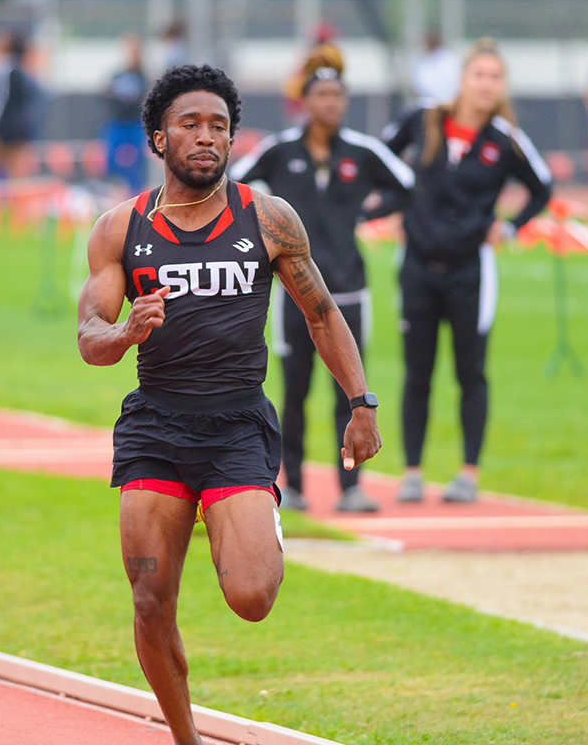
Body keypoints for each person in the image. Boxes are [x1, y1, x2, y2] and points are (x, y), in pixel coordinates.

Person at [77, 64, 381, 745]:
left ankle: (254, 516)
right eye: (191, 124)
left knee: (251, 598)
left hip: (237, 424)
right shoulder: (119, 230)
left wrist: (360, 402)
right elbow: (89, 338)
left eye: (219, 125)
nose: (207, 136)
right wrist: (125, 330)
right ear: (158, 137)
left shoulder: (267, 218)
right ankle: (186, 738)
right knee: (151, 601)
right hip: (155, 426)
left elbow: (323, 313)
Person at [231, 45, 414, 514]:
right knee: (294, 391)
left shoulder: (363, 151)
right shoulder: (281, 150)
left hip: (349, 287)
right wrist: (264, 228)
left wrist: (371, 212)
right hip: (294, 291)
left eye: (338, 95)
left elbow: (407, 185)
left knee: (349, 392)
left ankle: (351, 487)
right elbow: (232, 188)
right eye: (322, 94)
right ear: (305, 101)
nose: (330, 103)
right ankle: (291, 486)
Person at [383, 37, 552, 504]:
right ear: (462, 78)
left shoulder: (505, 140)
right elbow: (377, 158)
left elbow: (543, 188)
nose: (486, 84)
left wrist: (512, 227)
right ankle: (412, 472)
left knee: (470, 372)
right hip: (416, 266)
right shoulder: (424, 119)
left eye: (495, 78)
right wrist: (391, 207)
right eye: (479, 75)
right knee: (417, 373)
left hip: (470, 272)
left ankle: (468, 473)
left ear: (502, 87)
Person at [0, 29, 41, 179]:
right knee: (15, 169)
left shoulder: (3, 69)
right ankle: (19, 201)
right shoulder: (25, 69)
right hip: (22, 126)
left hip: (5, 126)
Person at [102, 33, 148, 193]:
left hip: (135, 124)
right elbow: (106, 95)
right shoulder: (117, 75)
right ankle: (115, 192)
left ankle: (135, 195)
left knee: (136, 164)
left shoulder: (143, 75)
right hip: (118, 123)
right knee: (112, 162)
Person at [412, 30, 461, 107]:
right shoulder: (421, 59)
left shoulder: (448, 58)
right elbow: (419, 85)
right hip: (426, 103)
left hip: (446, 103)